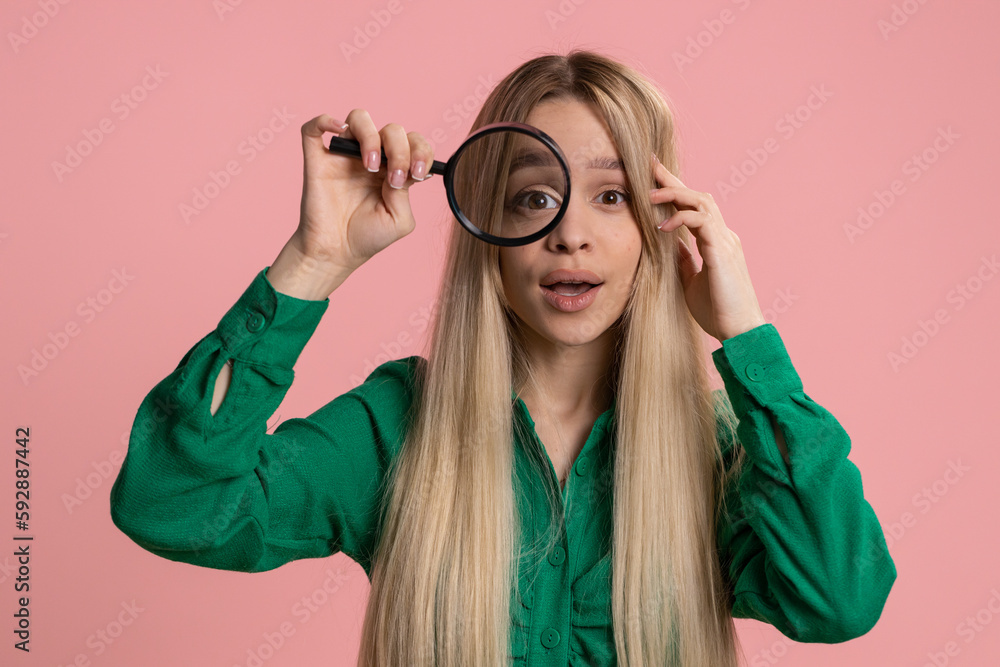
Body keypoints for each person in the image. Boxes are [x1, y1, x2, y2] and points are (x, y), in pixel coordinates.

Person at [110, 49, 896, 666]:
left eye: (613, 195)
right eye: (534, 197)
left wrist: (747, 336)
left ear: (665, 226)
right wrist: (314, 262)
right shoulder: (396, 428)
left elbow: (838, 598)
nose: (570, 234)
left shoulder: (723, 448)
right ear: (487, 230)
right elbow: (171, 502)